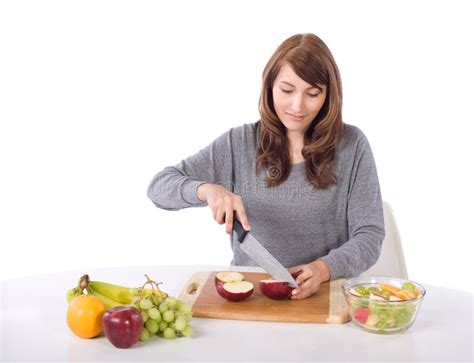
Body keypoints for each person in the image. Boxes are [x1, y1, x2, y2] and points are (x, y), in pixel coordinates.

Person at [147, 33, 385, 300]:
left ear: (328, 96)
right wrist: (207, 190)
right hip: (251, 300)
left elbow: (370, 235)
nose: (297, 105)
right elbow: (159, 187)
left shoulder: (352, 146)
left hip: (325, 297)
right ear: (270, 85)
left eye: (312, 93)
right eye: (286, 90)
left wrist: (323, 269)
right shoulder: (239, 142)